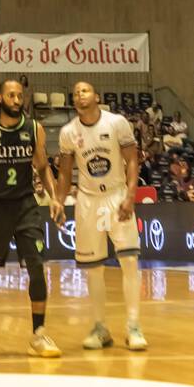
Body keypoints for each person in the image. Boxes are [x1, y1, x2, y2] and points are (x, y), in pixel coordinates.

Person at [0, 79, 64, 359]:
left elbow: (42, 167)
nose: (17, 100)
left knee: (37, 267)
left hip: (25, 205)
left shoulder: (34, 129)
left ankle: (38, 334)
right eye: (11, 95)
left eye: (20, 95)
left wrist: (55, 197)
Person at [54, 81, 147, 351]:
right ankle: (100, 327)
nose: (79, 95)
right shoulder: (68, 132)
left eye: (84, 90)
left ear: (96, 96)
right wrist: (59, 201)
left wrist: (131, 196)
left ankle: (133, 326)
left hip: (117, 195)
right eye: (75, 93)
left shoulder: (117, 123)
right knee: (93, 269)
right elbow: (64, 172)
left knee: (129, 260)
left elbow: (132, 161)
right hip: (87, 201)